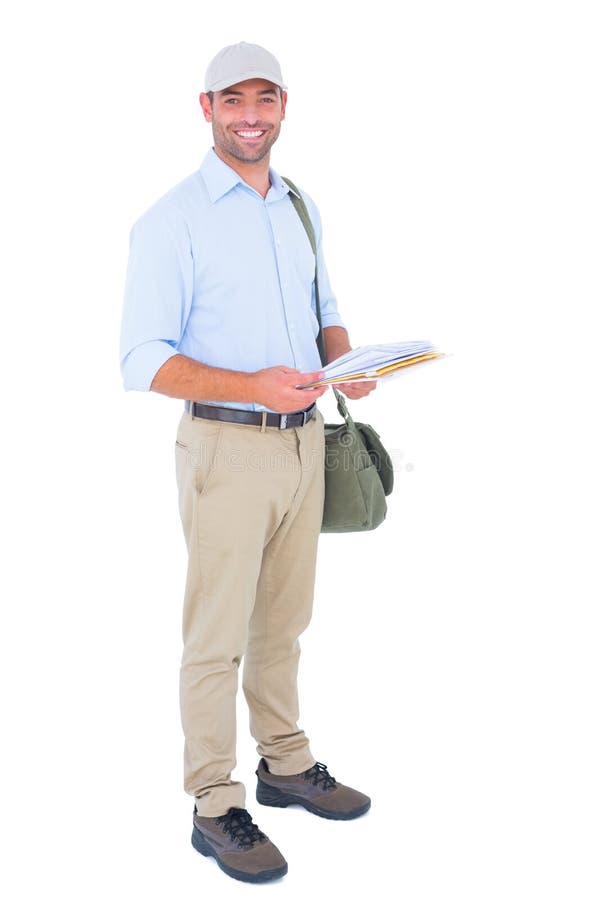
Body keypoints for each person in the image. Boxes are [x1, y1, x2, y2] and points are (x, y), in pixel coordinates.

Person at [119, 41, 377, 884]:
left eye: (266, 99)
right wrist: (254, 385)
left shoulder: (297, 204)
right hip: (225, 447)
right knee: (215, 637)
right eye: (234, 100)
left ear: (284, 106)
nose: (251, 115)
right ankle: (213, 802)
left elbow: (324, 307)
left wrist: (346, 363)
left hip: (305, 441)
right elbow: (143, 361)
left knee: (283, 623)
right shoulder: (173, 220)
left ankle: (285, 762)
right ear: (206, 109)